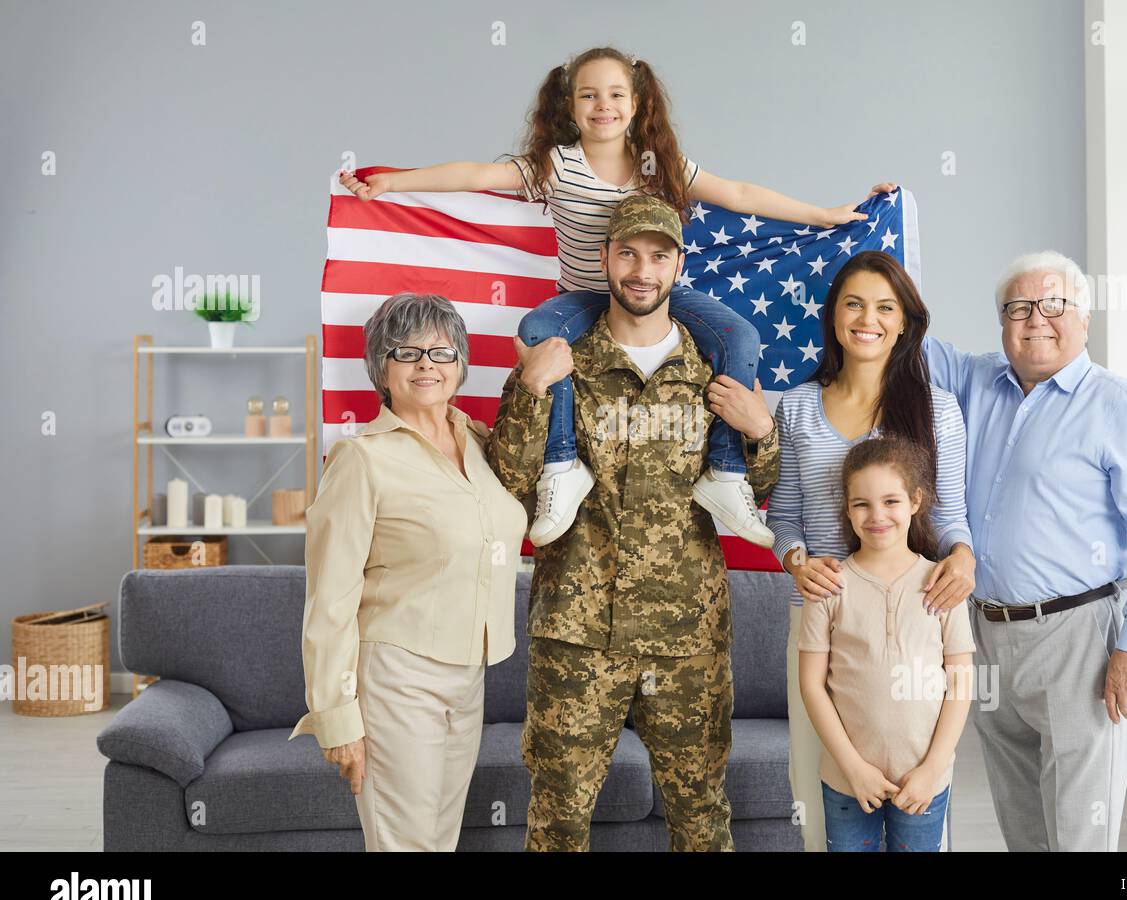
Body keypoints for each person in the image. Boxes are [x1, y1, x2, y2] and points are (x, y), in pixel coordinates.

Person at [338, 45, 894, 549]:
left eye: (615, 94)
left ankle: (725, 472)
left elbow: (741, 193)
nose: (602, 106)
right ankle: (562, 468)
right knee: (534, 335)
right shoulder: (557, 165)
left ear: (635, 102)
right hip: (583, 297)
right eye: (588, 95)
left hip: (656, 298)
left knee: (741, 336)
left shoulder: (659, 164)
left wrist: (826, 214)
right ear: (571, 105)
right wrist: (396, 181)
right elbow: (472, 173)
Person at [484, 194, 780, 851]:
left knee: (702, 823)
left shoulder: (717, 367)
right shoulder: (559, 362)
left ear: (679, 266)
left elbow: (762, 495)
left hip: (687, 640)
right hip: (577, 635)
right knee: (557, 826)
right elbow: (507, 484)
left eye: (658, 256)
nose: (641, 270)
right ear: (604, 259)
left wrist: (762, 433)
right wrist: (529, 392)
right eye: (628, 254)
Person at [923, 250, 1127, 851]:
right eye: (1018, 307)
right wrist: (857, 221)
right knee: (1023, 830)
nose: (1036, 318)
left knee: (1079, 834)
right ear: (1001, 322)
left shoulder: (1119, 405)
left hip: (1079, 638)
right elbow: (894, 327)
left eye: (1055, 304)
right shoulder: (974, 380)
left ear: (1085, 317)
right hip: (985, 632)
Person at [288, 293, 527, 851]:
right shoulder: (361, 460)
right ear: (381, 368)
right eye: (407, 352)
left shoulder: (485, 444)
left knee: (439, 840)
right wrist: (336, 714)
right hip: (396, 676)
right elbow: (329, 598)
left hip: (470, 676)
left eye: (442, 351)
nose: (427, 364)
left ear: (461, 364)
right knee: (405, 845)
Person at [765, 250, 975, 851]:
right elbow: (782, 521)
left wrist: (962, 558)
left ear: (904, 322)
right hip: (825, 620)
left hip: (915, 615)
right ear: (833, 316)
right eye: (854, 304)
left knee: (919, 807)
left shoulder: (938, 411)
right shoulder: (799, 406)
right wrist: (798, 562)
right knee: (825, 798)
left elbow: (954, 518)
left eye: (886, 307)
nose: (869, 319)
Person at [800, 434, 975, 851]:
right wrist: (853, 767)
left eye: (891, 501)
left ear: (915, 501)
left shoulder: (942, 585)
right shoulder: (829, 586)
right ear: (847, 508)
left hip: (924, 781)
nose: (877, 515)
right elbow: (811, 685)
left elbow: (962, 684)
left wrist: (932, 768)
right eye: (862, 503)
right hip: (848, 781)